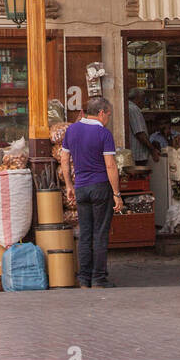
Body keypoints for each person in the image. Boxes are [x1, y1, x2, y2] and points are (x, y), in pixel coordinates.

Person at [61, 95, 124, 289]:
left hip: (80, 188)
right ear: (101, 113)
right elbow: (111, 166)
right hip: (100, 187)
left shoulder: (71, 130)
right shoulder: (104, 134)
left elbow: (64, 160)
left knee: (85, 233)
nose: (108, 119)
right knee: (100, 233)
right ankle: (98, 278)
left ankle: (83, 279)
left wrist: (69, 185)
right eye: (108, 115)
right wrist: (117, 193)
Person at [128, 88, 161, 165]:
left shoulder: (129, 107)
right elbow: (140, 134)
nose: (144, 102)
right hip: (137, 156)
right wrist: (152, 150)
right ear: (138, 98)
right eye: (143, 99)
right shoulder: (134, 109)